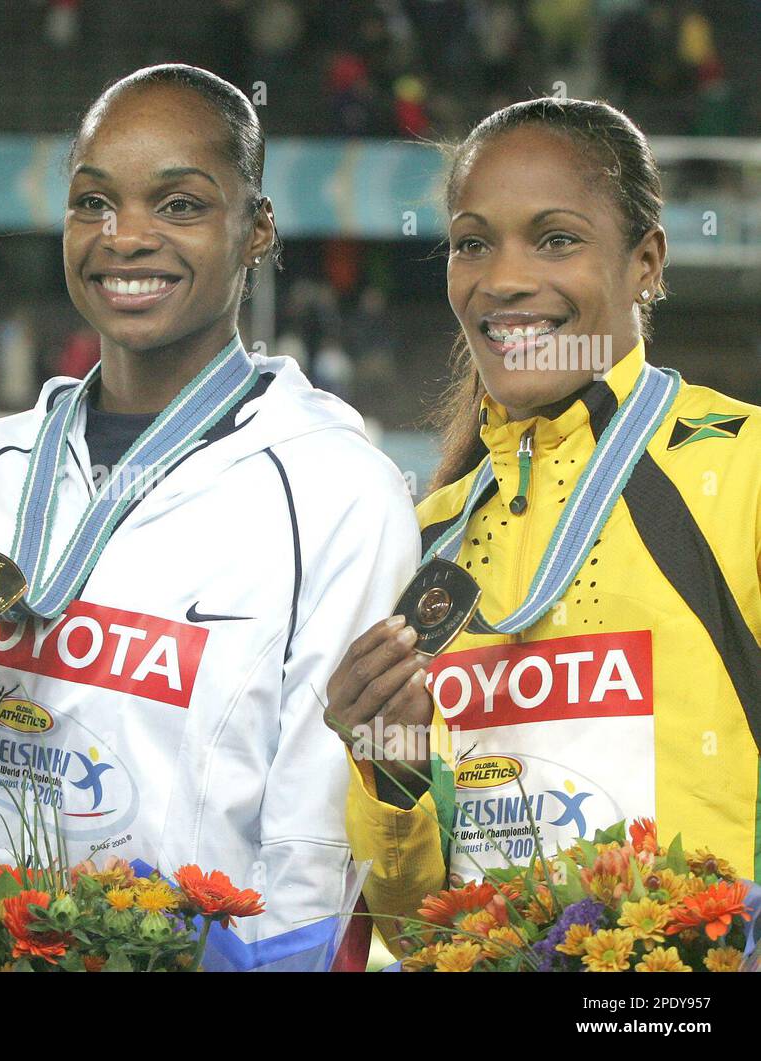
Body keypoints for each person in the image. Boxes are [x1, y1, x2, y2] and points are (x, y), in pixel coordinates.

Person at [0, 65, 419, 958]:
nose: (125, 237)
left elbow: (311, 851)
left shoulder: (337, 493)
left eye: (180, 205)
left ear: (258, 230)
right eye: (93, 202)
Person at [325, 98, 761, 951]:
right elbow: (415, 936)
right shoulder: (424, 542)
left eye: (555, 238)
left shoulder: (742, 468)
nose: (502, 279)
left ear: (646, 262)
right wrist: (391, 762)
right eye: (472, 242)